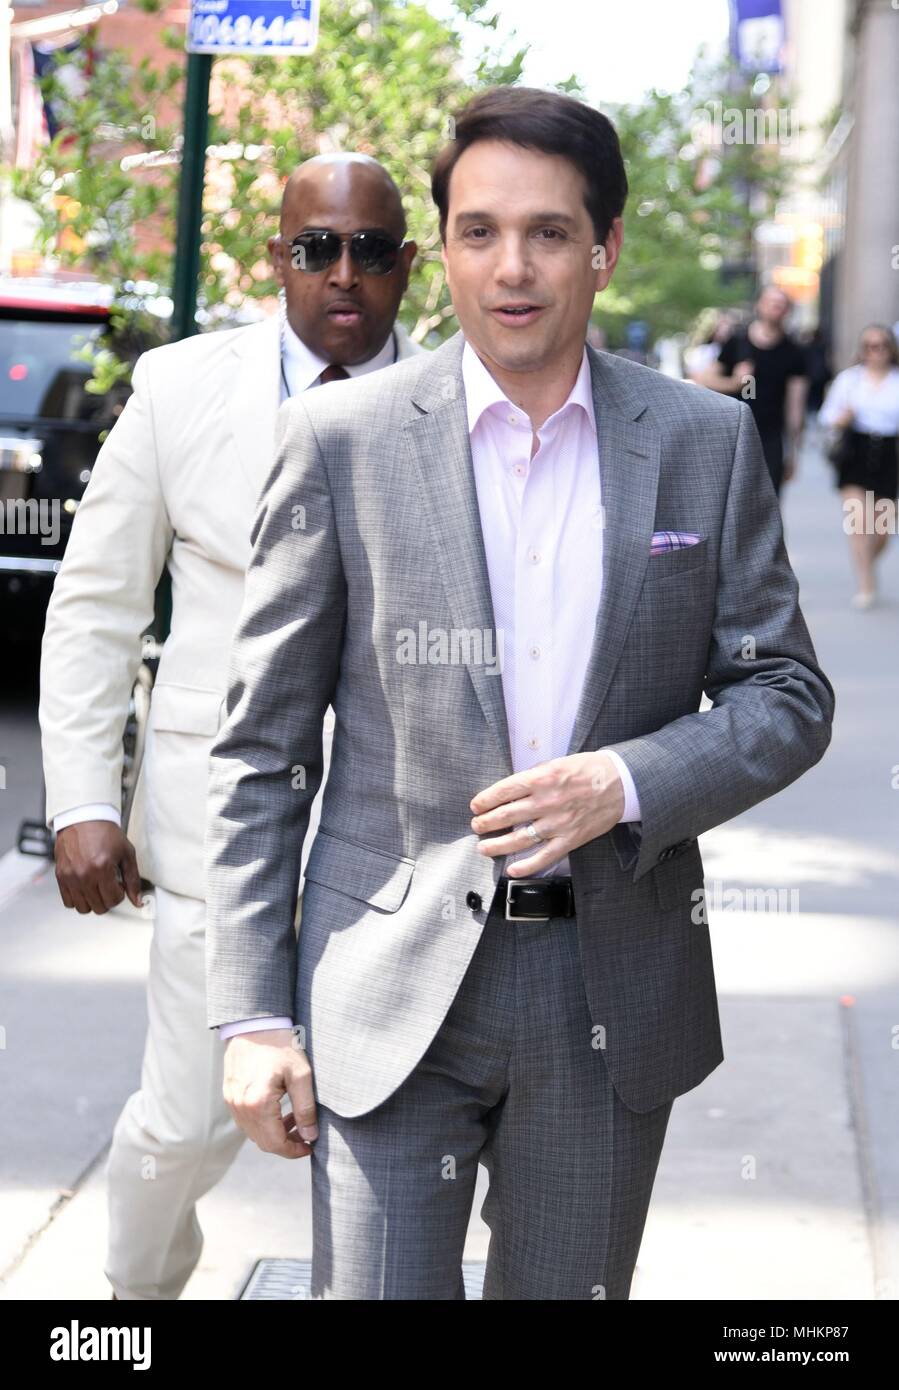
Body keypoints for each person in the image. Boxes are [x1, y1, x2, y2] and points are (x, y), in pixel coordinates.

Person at [205, 87, 834, 1301]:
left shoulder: (701, 443)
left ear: (601, 248)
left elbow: (786, 692)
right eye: (478, 230)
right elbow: (259, 751)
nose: (512, 266)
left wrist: (627, 780)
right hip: (387, 986)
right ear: (441, 246)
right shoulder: (342, 441)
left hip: (607, 987)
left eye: (548, 232)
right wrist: (249, 1016)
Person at [38, 153, 422, 1300]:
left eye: (367, 250)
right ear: (278, 260)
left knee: (394, 1134)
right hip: (214, 838)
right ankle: (135, 1298)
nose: (340, 273)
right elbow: (97, 605)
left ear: (408, 265)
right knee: (186, 1123)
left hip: (400, 849)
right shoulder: (177, 388)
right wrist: (84, 803)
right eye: (315, 248)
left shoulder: (461, 402)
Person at [818, 324, 899, 608]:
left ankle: (866, 562)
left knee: (883, 528)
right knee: (859, 522)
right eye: (869, 346)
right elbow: (827, 417)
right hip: (856, 452)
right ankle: (866, 584)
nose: (875, 353)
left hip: (890, 455)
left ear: (891, 350)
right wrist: (842, 418)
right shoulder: (850, 380)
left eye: (881, 346)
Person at [699, 285, 808, 495]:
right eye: (771, 302)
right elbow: (705, 379)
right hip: (734, 432)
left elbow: (796, 405)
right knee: (732, 497)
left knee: (769, 500)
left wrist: (793, 452)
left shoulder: (794, 352)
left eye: (781, 304)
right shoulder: (737, 341)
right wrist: (735, 382)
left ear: (788, 311)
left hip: (771, 436)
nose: (776, 308)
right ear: (759, 305)